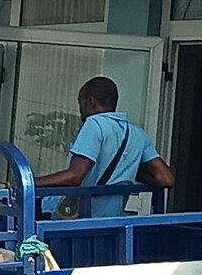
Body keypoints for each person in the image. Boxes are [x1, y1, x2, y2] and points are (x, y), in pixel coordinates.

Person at [36, 75, 174, 218]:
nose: (80, 111)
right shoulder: (137, 134)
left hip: (83, 218)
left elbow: (75, 176)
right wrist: (129, 169)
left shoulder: (94, 124)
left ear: (90, 101)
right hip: (110, 220)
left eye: (80, 103)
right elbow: (166, 179)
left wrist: (31, 182)